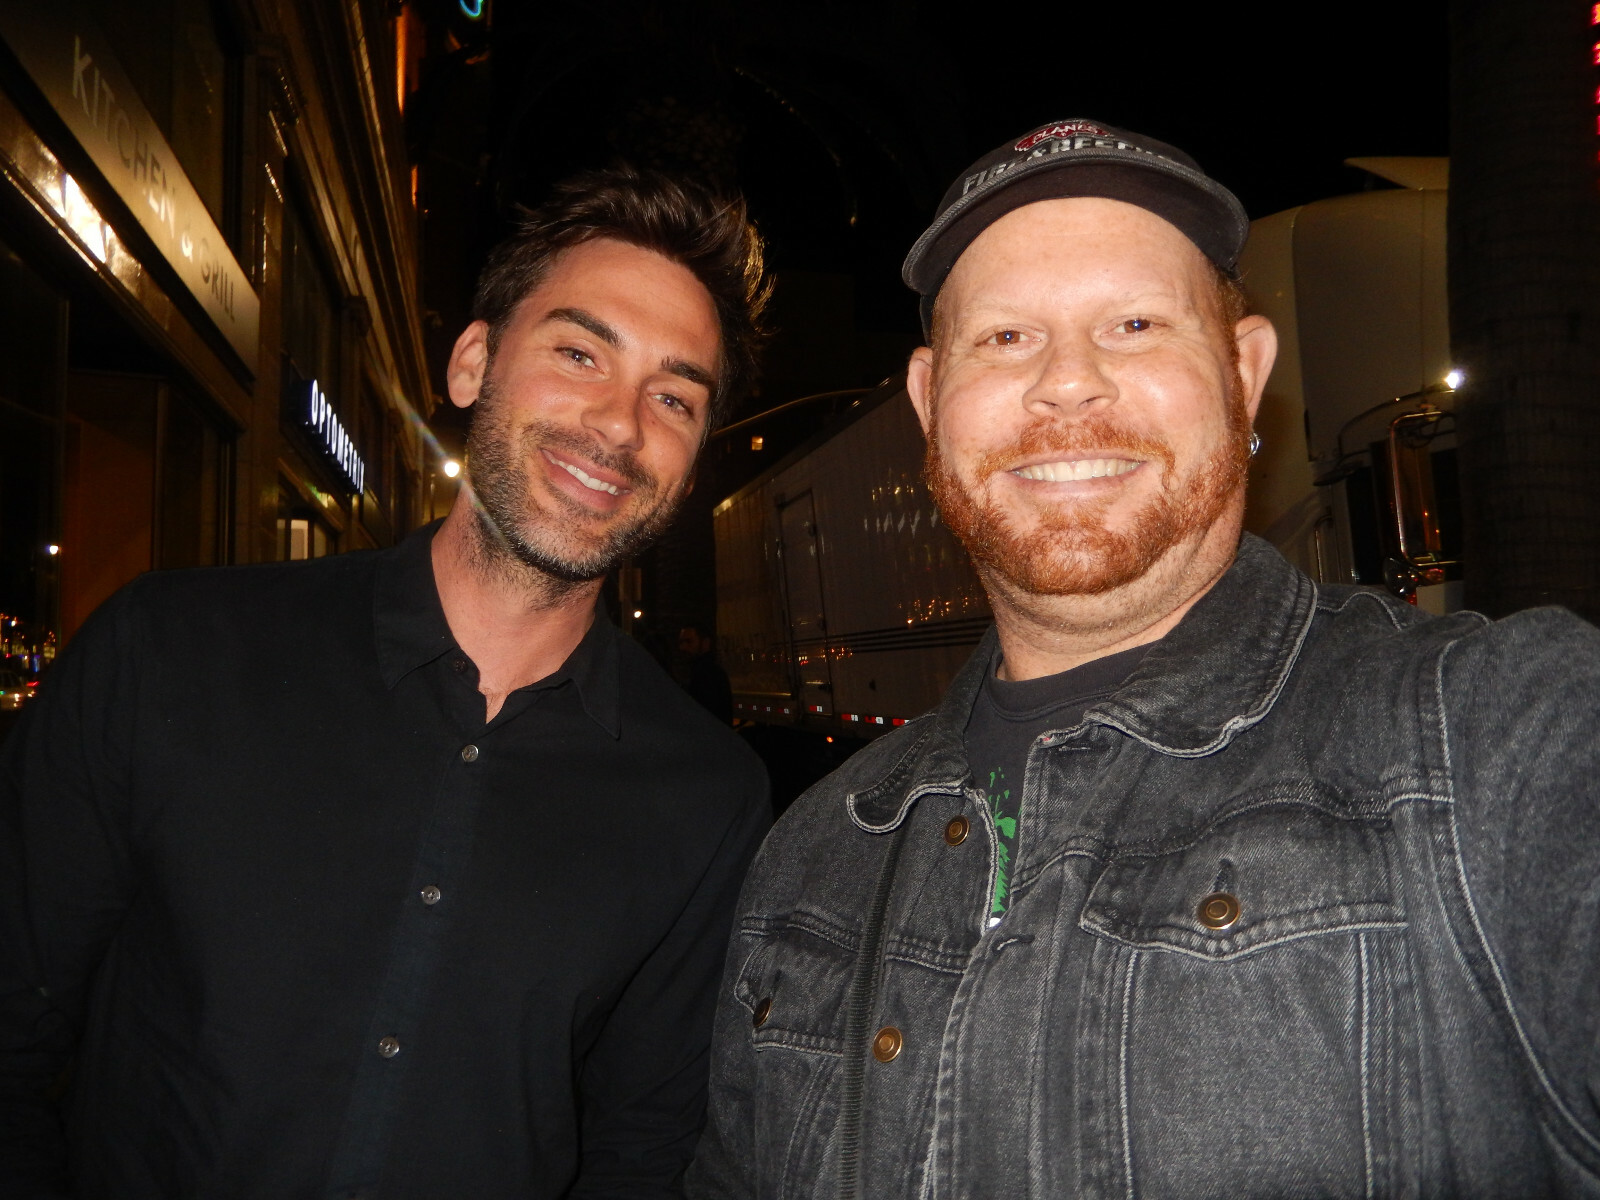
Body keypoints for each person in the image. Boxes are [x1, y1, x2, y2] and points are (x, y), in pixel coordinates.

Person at [688, 120, 1600, 1197]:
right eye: (1005, 338)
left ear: (1242, 371)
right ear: (931, 406)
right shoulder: (810, 856)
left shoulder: (1495, 737)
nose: (1067, 385)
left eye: (1132, 321)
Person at [0, 166, 773, 1199]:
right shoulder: (168, 651)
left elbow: (642, 1147)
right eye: (579, 352)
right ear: (472, 363)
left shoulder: (708, 798)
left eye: (672, 397)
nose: (619, 424)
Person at [679, 623, 733, 724]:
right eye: (681, 642)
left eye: (689, 641)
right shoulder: (698, 670)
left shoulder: (708, 674)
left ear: (705, 643)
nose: (683, 647)